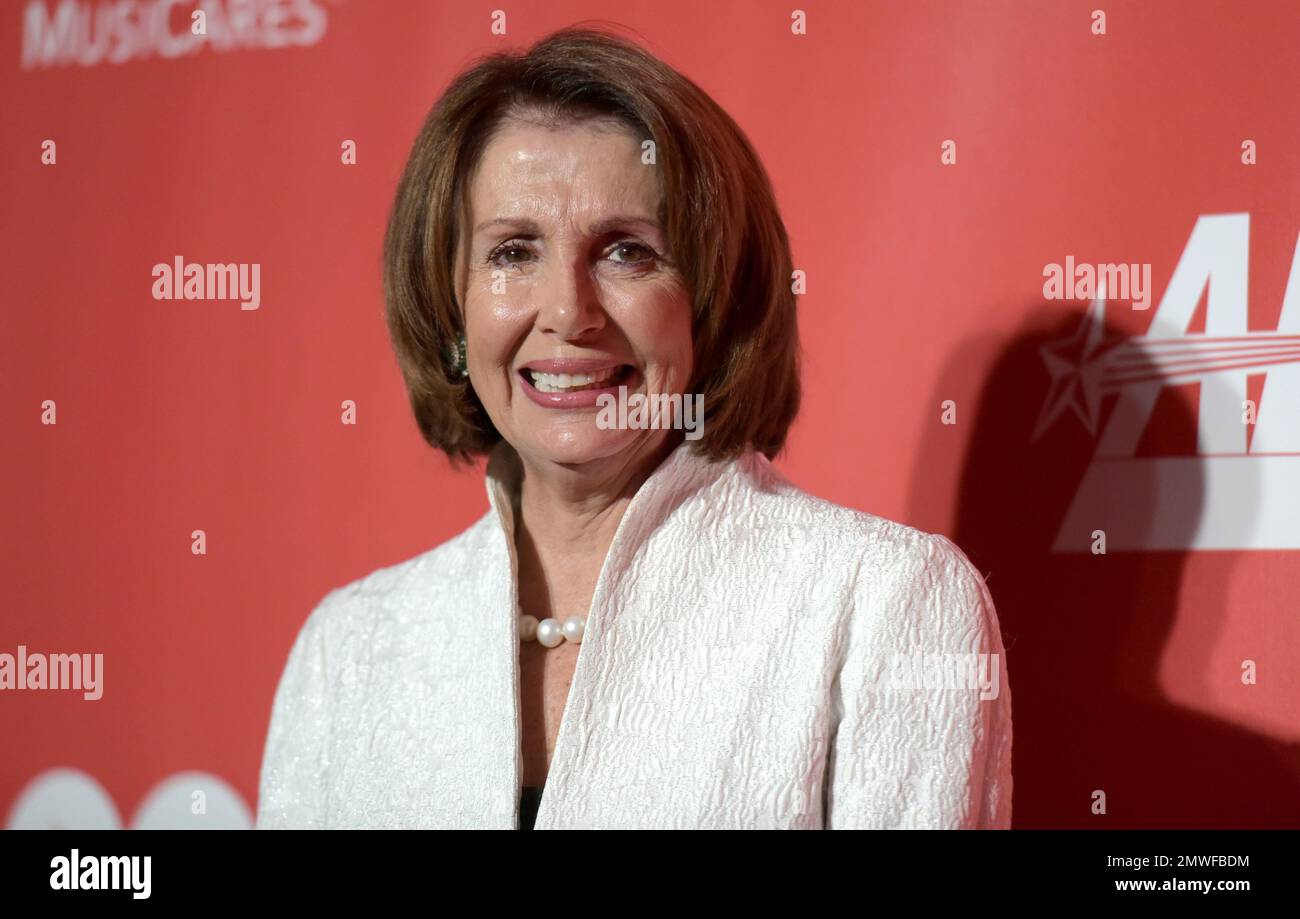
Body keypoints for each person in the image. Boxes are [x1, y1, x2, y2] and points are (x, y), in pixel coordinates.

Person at [255, 26, 1012, 830]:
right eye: (513, 252)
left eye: (625, 252)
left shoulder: (881, 601)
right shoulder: (349, 649)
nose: (568, 314)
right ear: (451, 310)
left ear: (713, 302)